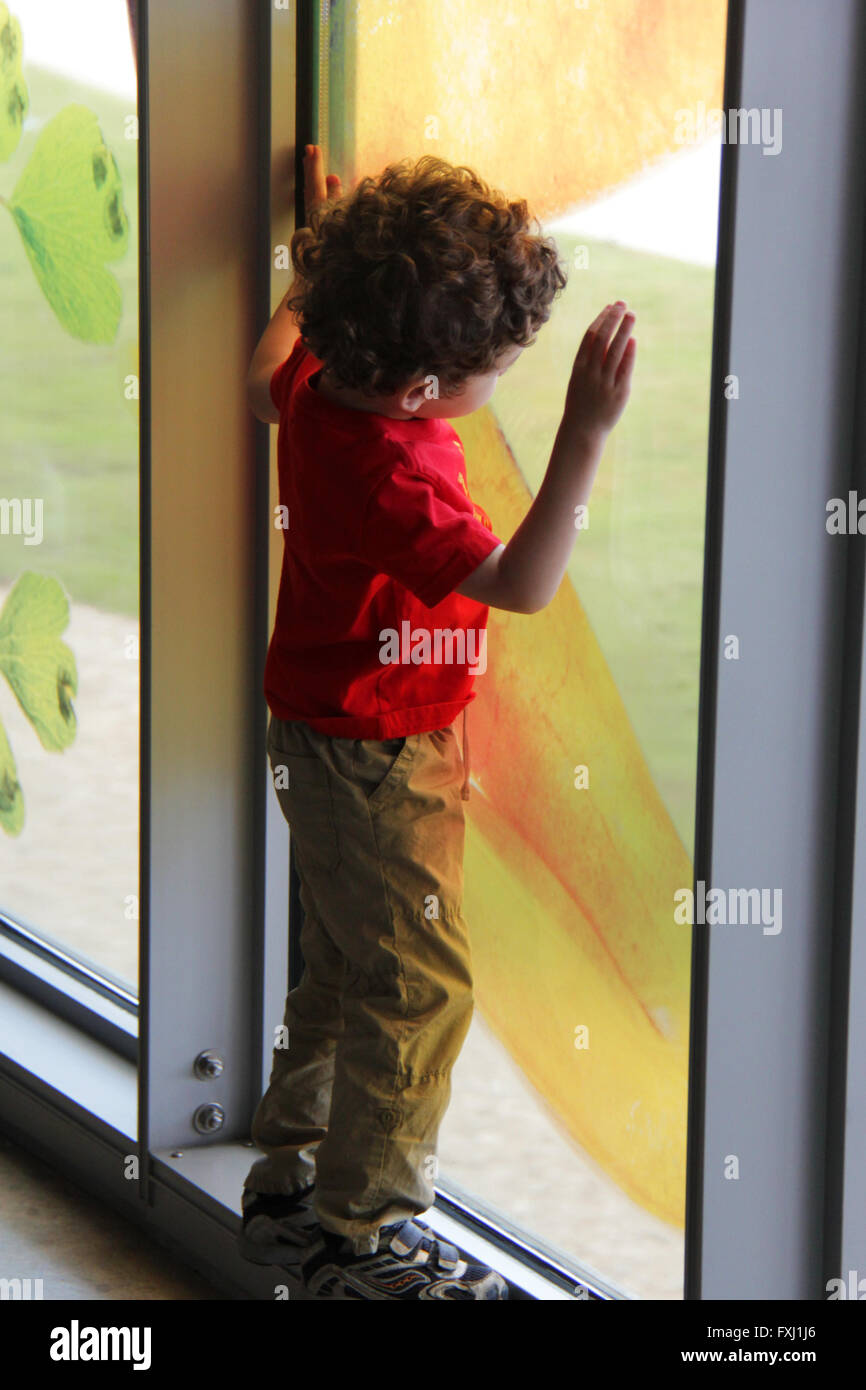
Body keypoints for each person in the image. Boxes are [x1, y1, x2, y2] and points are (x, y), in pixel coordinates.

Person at [239, 145, 636, 1300]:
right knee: (420, 988)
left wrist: (315, 276)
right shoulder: (392, 478)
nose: (502, 380)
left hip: (317, 735)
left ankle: (290, 1179)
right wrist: (586, 430)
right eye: (495, 370)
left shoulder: (316, 385)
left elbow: (265, 354)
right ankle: (355, 1241)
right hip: (377, 754)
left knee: (342, 960)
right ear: (420, 394)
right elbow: (516, 582)